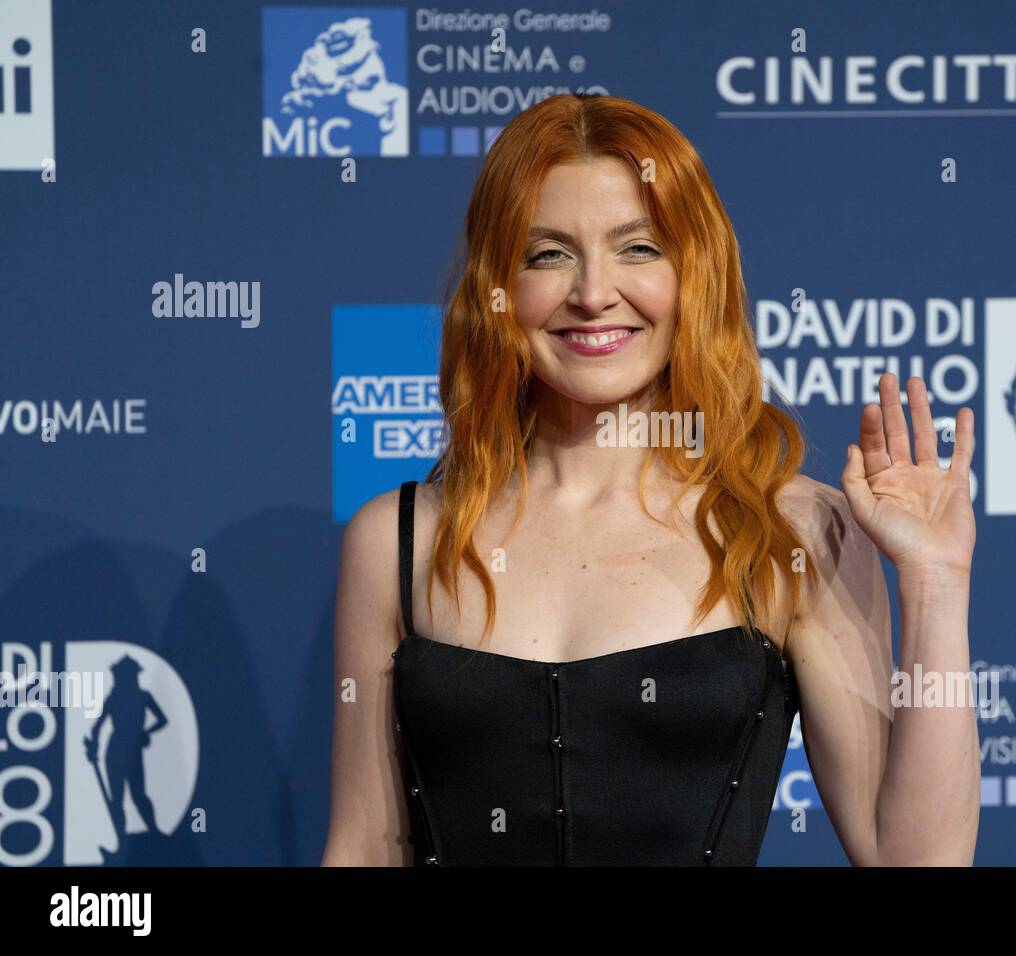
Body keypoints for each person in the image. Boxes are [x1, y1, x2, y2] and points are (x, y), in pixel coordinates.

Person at [321, 93, 979, 866]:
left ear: (694, 273)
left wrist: (935, 586)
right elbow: (363, 848)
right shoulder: (398, 540)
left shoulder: (789, 532)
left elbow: (913, 859)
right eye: (548, 253)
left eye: (638, 248)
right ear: (497, 291)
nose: (594, 292)